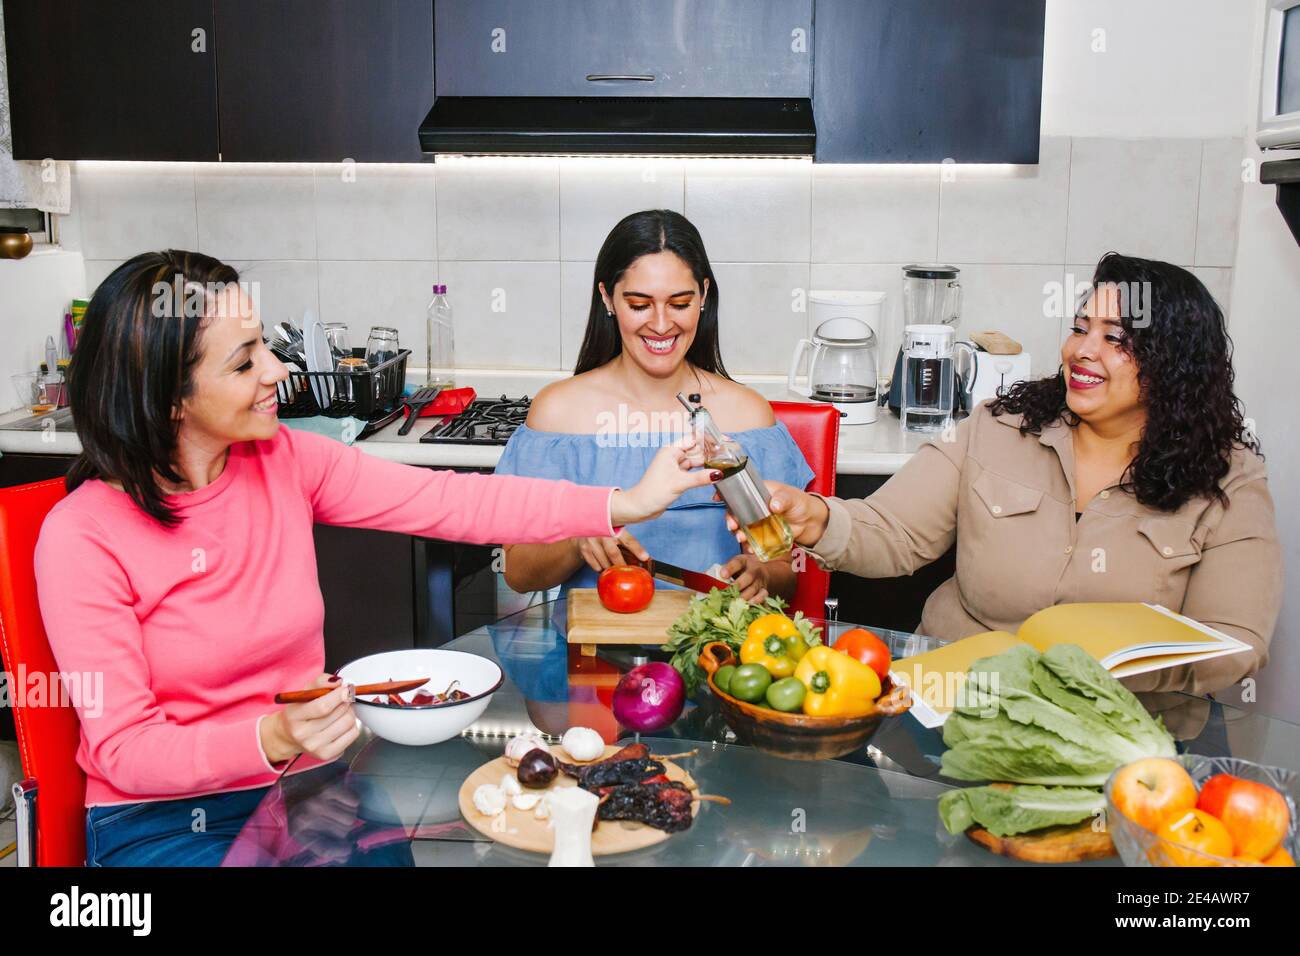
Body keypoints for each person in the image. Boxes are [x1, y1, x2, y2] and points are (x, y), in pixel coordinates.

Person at [33, 250, 717, 866]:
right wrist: (270, 737)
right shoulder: (83, 536)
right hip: (164, 825)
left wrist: (623, 501)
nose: (278, 371)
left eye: (266, 347)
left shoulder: (284, 460)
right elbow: (126, 749)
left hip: (305, 796)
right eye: (244, 363)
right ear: (169, 401)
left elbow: (453, 503)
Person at [742, 253, 1281, 698]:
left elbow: (1236, 643)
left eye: (1117, 338)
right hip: (953, 710)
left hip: (1119, 737)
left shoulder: (1226, 478)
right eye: (1079, 328)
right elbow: (894, 532)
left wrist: (1099, 669)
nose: (1082, 350)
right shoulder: (999, 427)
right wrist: (815, 518)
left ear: (1176, 362)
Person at [497, 209, 813, 602]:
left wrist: (761, 574)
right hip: (593, 652)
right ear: (607, 299)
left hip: (722, 654)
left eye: (679, 303)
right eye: (639, 304)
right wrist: (576, 539)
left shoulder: (747, 415)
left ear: (703, 297)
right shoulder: (558, 414)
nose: (662, 325)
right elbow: (516, 572)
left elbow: (784, 570)